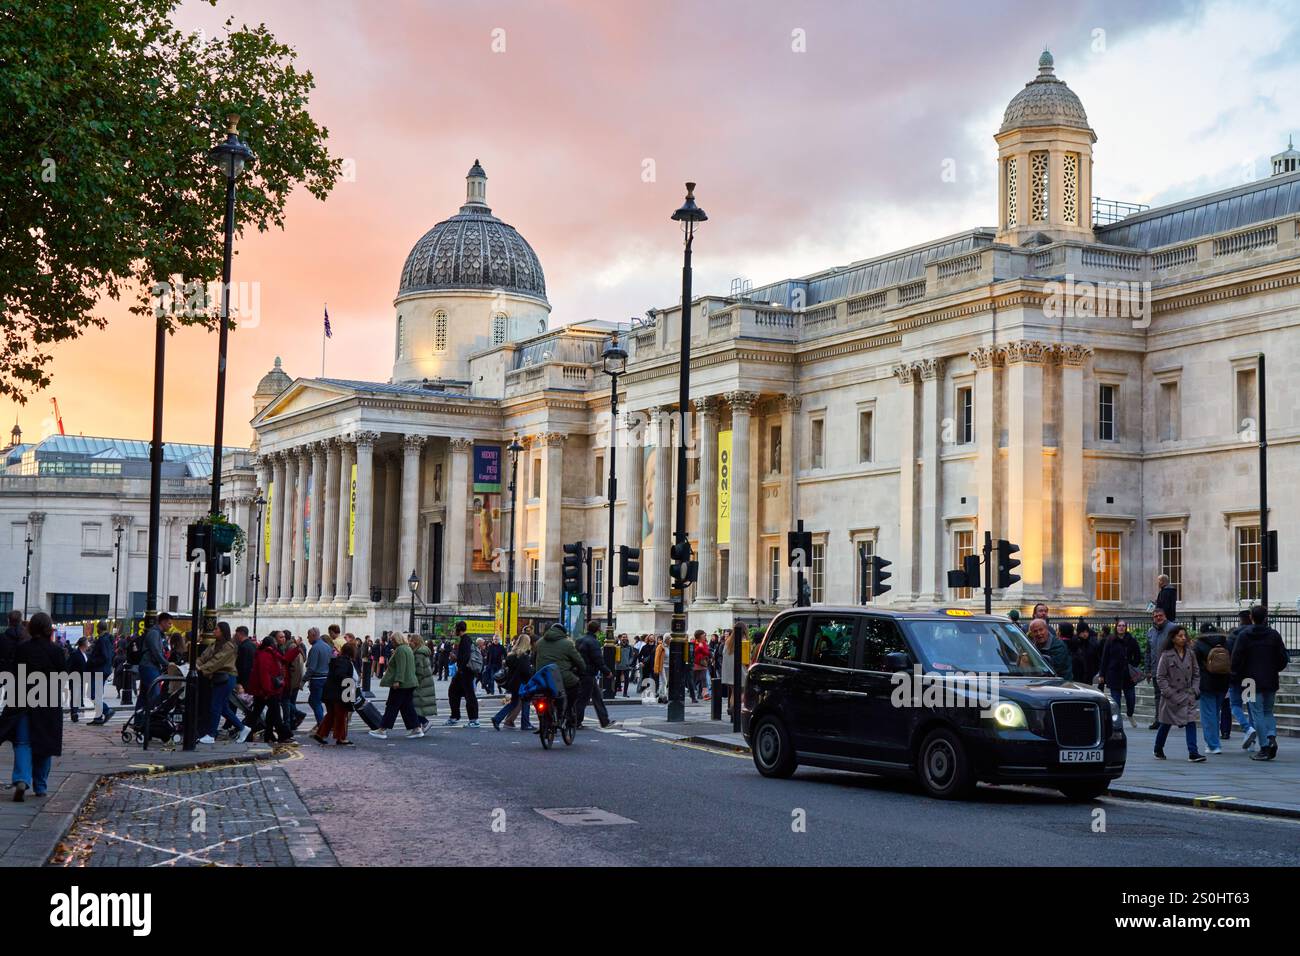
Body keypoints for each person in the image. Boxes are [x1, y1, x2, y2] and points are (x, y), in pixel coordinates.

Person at [3, 614, 64, 801]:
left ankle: (21, 779)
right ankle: (41, 785)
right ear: (48, 628)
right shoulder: (56, 651)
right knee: (44, 745)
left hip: (23, 700)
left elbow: (14, 674)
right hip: (47, 702)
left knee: (22, 743)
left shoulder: (23, 649)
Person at [1231, 604, 1290, 761]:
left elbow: (1236, 659)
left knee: (1255, 713)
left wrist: (1236, 674)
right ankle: (1271, 737)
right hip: (1270, 677)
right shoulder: (1274, 635)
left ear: (1251, 618)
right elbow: (1283, 658)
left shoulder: (1244, 636)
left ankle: (1264, 747)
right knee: (1268, 711)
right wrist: (1274, 668)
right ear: (1266, 618)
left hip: (1249, 679)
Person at [1154, 625, 1205, 761]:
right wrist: (1168, 692)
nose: (1183, 638)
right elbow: (1160, 676)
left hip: (1188, 694)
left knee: (1191, 721)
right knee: (1165, 723)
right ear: (1173, 638)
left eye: (1184, 636)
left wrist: (1195, 690)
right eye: (1180, 636)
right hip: (1172, 696)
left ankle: (1193, 752)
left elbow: (1196, 674)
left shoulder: (1190, 654)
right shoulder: (1166, 655)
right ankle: (1158, 748)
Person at [196, 622, 250, 744]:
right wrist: (195, 664)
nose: (214, 631)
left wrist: (202, 669)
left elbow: (217, 661)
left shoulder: (229, 646)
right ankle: (242, 728)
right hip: (218, 678)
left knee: (215, 705)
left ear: (223, 631)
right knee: (224, 708)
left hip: (226, 678)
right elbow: (203, 657)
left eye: (217, 629)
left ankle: (211, 735)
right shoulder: (214, 645)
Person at [370, 632, 422, 739]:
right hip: (410, 682)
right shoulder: (407, 649)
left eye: (392, 640)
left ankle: (382, 729)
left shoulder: (401, 650)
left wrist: (397, 680)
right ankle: (416, 728)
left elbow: (401, 667)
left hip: (402, 684)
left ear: (397, 640)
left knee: (392, 706)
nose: (391, 642)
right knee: (407, 706)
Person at [533, 623, 585, 722]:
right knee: (574, 687)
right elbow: (579, 661)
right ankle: (567, 711)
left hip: (542, 676)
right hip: (561, 677)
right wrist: (582, 669)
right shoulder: (567, 643)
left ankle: (543, 721)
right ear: (563, 632)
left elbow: (533, 659)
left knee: (539, 697)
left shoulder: (539, 642)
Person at [1192, 624, 1231, 754]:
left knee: (1208, 715)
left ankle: (1213, 745)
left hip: (1206, 683)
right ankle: (1214, 741)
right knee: (1215, 712)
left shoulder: (1198, 645)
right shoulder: (1225, 643)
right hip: (1223, 682)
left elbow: (1194, 665)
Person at [247, 635, 292, 744]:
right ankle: (283, 734)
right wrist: (267, 690)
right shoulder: (265, 655)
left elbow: (284, 660)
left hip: (265, 690)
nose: (276, 644)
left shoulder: (268, 654)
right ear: (270, 644)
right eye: (274, 642)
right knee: (275, 714)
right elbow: (264, 674)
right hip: (266, 691)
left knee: (263, 714)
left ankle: (261, 734)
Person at [1097, 621, 1141, 729]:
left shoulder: (1131, 640)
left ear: (1126, 628)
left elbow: (1138, 655)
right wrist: (1102, 674)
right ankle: (1118, 721)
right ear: (1116, 628)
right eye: (1119, 626)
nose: (1121, 628)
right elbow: (1105, 658)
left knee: (1131, 699)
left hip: (1128, 675)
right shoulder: (1110, 640)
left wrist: (1133, 664)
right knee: (1116, 701)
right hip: (1113, 674)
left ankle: (1130, 714)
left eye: (1123, 626)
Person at [314, 641, 358, 746]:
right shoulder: (345, 662)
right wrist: (349, 681)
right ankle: (341, 738)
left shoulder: (337, 660)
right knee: (341, 715)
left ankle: (320, 734)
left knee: (331, 714)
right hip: (339, 693)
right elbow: (340, 675)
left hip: (329, 692)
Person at [575, 621, 617, 729]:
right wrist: (607, 671)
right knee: (583, 699)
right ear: (597, 629)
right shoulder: (593, 642)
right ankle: (576, 722)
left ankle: (604, 721)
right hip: (588, 674)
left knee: (597, 697)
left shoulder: (579, 640)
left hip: (580, 673)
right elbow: (598, 659)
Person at [1226, 610, 1258, 750]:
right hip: (1251, 676)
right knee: (1251, 707)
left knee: (1235, 705)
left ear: (1241, 619)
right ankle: (1252, 741)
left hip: (1236, 676)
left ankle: (1247, 729)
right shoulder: (1256, 634)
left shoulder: (1234, 635)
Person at [492, 634, 535, 731]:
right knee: (526, 701)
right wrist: (532, 671)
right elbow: (526, 672)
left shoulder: (511, 655)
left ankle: (497, 718)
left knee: (514, 703)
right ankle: (525, 724)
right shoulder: (524, 656)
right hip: (522, 683)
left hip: (512, 683)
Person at [1145, 608, 1177, 729]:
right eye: (1155, 616)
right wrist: (1147, 670)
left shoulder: (1173, 629)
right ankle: (1158, 719)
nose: (1158, 618)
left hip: (1171, 669)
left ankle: (1176, 717)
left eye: (1160, 615)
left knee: (1173, 694)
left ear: (1165, 616)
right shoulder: (1151, 631)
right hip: (1156, 669)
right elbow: (1148, 652)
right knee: (1158, 695)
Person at [446, 621, 481, 726]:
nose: (453, 631)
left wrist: (457, 661)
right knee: (455, 692)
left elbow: (465, 657)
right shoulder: (465, 639)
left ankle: (473, 719)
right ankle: (455, 716)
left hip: (465, 672)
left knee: (468, 695)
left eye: (454, 629)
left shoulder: (465, 640)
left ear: (458, 629)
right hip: (464, 672)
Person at [138, 612, 171, 707]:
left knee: (144, 695)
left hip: (149, 667)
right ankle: (152, 719)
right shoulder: (154, 633)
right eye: (169, 623)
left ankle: (139, 719)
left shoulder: (157, 633)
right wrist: (167, 664)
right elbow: (156, 652)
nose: (170, 626)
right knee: (155, 694)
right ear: (163, 622)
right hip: (149, 667)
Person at [86, 623, 116, 725]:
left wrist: (92, 661)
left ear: (99, 628)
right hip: (104, 670)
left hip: (99, 670)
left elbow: (104, 656)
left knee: (92, 693)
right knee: (96, 694)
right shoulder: (108, 639)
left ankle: (106, 710)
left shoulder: (102, 640)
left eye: (97, 628)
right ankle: (98, 717)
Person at [304, 627, 332, 726]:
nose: (307, 638)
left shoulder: (315, 648)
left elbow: (311, 668)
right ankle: (323, 722)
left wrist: (303, 680)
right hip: (326, 678)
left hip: (317, 679)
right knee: (314, 701)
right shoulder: (327, 647)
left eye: (308, 636)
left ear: (313, 635)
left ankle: (321, 724)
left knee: (315, 702)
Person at [721, 624, 748, 719]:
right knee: (744, 691)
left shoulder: (728, 642)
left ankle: (732, 709)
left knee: (733, 692)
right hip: (741, 672)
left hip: (729, 673)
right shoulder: (744, 641)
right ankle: (734, 708)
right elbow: (746, 660)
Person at [410, 633, 438, 725]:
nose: (409, 643)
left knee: (414, 706)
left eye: (411, 641)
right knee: (416, 706)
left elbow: (419, 671)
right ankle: (419, 725)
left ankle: (424, 723)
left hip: (420, 684)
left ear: (415, 642)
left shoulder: (418, 654)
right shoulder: (423, 652)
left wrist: (413, 683)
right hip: (425, 683)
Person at [67, 637, 90, 722]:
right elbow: (69, 665)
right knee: (74, 696)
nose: (89, 644)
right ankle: (74, 713)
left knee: (78, 696)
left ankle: (75, 712)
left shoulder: (85, 654)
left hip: (82, 678)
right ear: (83, 644)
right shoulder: (75, 654)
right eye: (87, 642)